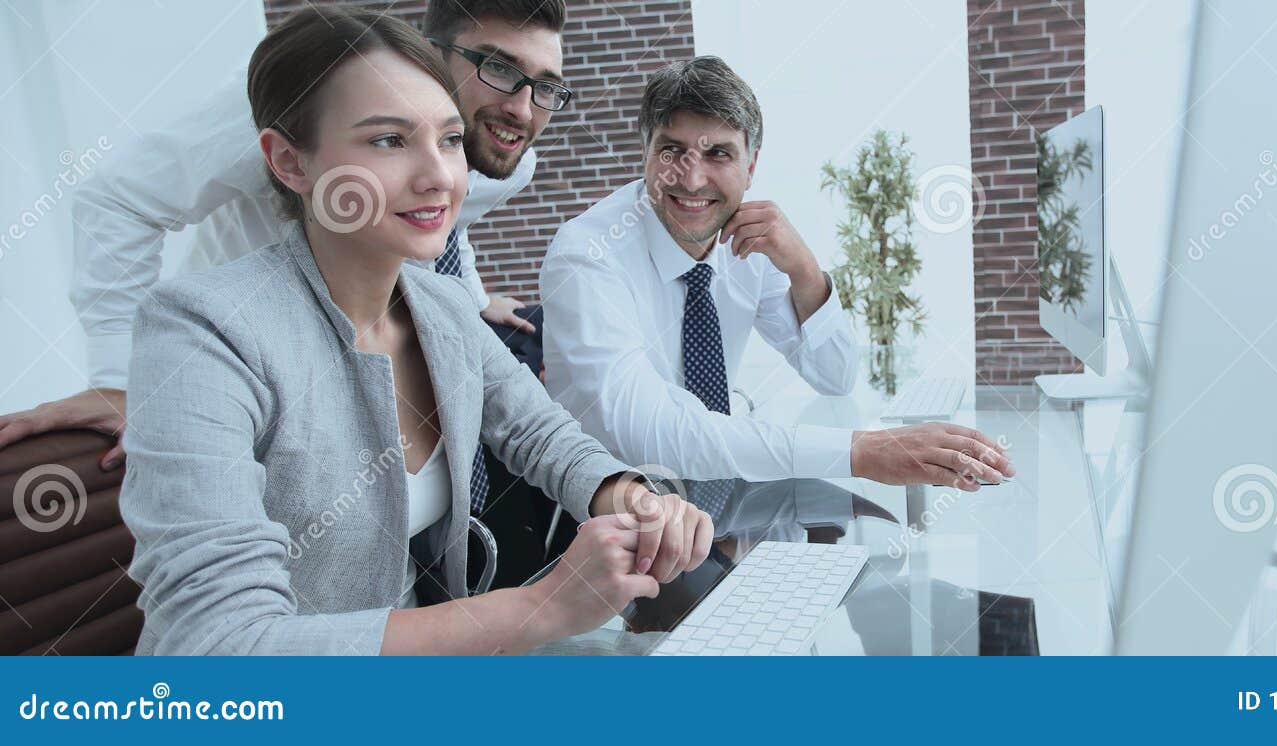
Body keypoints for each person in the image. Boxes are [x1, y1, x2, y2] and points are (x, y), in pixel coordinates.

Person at [121, 8, 710, 655]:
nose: (438, 176)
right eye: (388, 140)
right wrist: (538, 608)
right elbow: (219, 644)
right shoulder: (202, 332)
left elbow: (540, 433)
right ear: (289, 161)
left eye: (450, 139)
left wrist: (627, 494)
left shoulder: (440, 304)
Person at [0, 0, 566, 483]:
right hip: (254, 370)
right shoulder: (310, 101)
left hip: (375, 361)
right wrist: (125, 381)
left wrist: (470, 294)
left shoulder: (508, 159)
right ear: (428, 51)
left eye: (545, 86)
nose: (521, 107)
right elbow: (117, 201)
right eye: (496, 67)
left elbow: (448, 223)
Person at [541, 56, 1014, 490]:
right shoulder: (588, 255)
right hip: (615, 518)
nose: (691, 178)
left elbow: (835, 375)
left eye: (718, 154)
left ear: (752, 167)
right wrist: (858, 452)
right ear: (646, 154)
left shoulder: (750, 241)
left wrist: (805, 269)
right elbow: (648, 434)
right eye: (671, 150)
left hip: (722, 499)